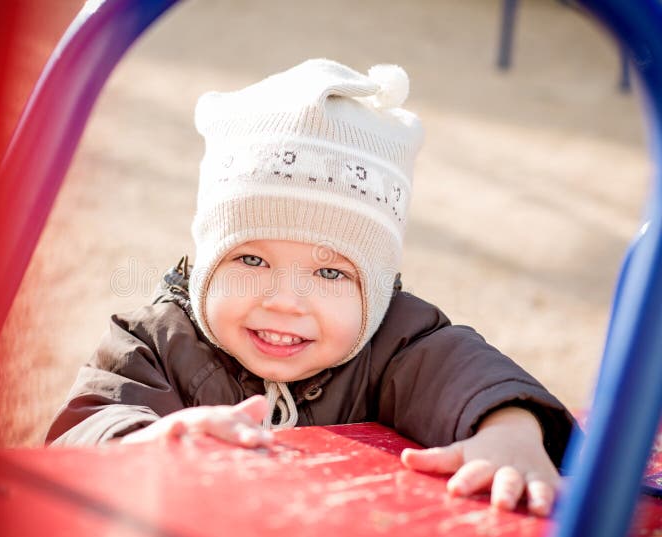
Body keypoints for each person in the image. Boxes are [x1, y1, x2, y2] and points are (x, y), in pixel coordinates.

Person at [46, 58, 577, 517]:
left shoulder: (396, 342)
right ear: (205, 264)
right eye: (251, 259)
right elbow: (85, 428)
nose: (284, 301)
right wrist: (146, 441)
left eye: (330, 273)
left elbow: (472, 376)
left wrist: (511, 431)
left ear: (375, 291)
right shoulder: (156, 343)